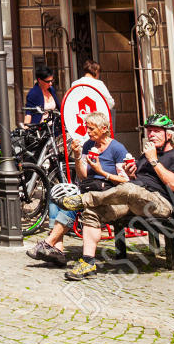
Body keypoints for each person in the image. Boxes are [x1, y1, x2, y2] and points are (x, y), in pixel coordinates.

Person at [54, 114, 174, 280]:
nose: (151, 135)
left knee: (128, 189)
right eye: (149, 131)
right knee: (93, 211)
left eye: (156, 131)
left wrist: (154, 161)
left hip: (162, 204)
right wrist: (130, 172)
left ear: (168, 135)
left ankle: (82, 200)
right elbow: (135, 181)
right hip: (136, 200)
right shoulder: (146, 156)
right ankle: (88, 263)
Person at [26, 111, 132, 267]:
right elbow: (82, 176)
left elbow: (125, 180)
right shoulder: (89, 145)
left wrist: (102, 172)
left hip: (108, 193)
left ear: (103, 129)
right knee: (57, 196)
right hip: (88, 188)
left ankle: (49, 242)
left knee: (74, 202)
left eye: (91, 129)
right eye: (87, 128)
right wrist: (76, 155)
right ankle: (59, 249)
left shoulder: (117, 149)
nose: (88, 132)